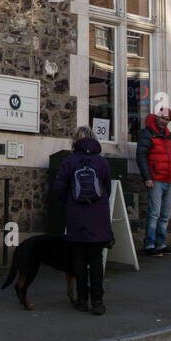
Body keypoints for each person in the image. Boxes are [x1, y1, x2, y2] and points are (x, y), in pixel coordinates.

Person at [54, 126, 114, 315]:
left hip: (76, 217)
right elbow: (107, 189)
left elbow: (59, 189)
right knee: (96, 260)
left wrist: (71, 202)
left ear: (75, 140)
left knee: (79, 260)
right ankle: (98, 302)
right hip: (98, 217)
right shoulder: (102, 162)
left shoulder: (69, 161)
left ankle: (81, 300)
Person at [137, 105, 171, 257]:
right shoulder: (148, 134)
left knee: (165, 215)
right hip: (156, 180)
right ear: (157, 117)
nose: (165, 121)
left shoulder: (168, 137)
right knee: (154, 214)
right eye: (163, 118)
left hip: (168, 180)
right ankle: (150, 245)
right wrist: (147, 178)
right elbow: (141, 156)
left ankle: (161, 244)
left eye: (168, 119)